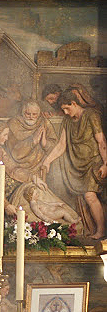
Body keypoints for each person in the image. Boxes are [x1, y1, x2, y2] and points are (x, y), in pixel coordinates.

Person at [42, 89, 107, 239]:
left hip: (93, 163)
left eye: (66, 108)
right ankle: (93, 229)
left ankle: (101, 231)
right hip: (78, 165)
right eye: (63, 109)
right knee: (85, 199)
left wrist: (105, 163)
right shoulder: (67, 121)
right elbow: (61, 145)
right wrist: (47, 160)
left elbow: (101, 141)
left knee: (90, 196)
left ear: (74, 103)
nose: (65, 112)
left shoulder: (91, 115)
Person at [6, 101, 57, 181]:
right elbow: (13, 152)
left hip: (38, 167)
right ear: (23, 113)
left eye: (34, 114)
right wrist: (32, 141)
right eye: (28, 114)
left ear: (38, 114)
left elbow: (55, 146)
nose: (31, 117)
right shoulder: (13, 123)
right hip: (18, 169)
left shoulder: (45, 123)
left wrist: (44, 143)